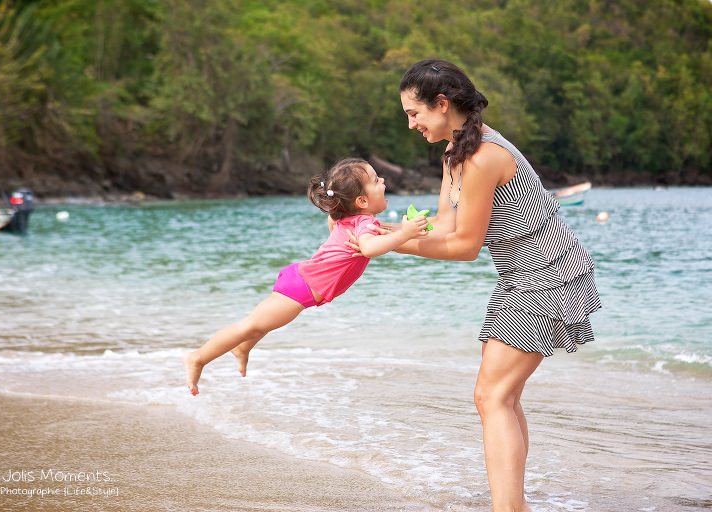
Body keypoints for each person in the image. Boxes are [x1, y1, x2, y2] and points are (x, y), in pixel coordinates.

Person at [361, 59, 601, 511]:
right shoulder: (456, 153)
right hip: (523, 277)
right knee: (500, 397)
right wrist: (387, 232)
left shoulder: (483, 156)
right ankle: (514, 504)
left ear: (443, 104)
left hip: (549, 275)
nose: (410, 124)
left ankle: (508, 508)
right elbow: (445, 225)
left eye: (414, 113)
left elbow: (464, 246)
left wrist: (390, 246)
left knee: (492, 396)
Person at [184, 158, 429, 396]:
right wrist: (405, 233)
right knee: (251, 324)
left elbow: (341, 225)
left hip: (301, 280)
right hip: (302, 286)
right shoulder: (364, 222)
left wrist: (406, 230)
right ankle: (199, 357)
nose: (383, 180)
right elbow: (370, 248)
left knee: (263, 323)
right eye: (376, 180)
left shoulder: (351, 219)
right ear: (362, 200)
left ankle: (243, 347)